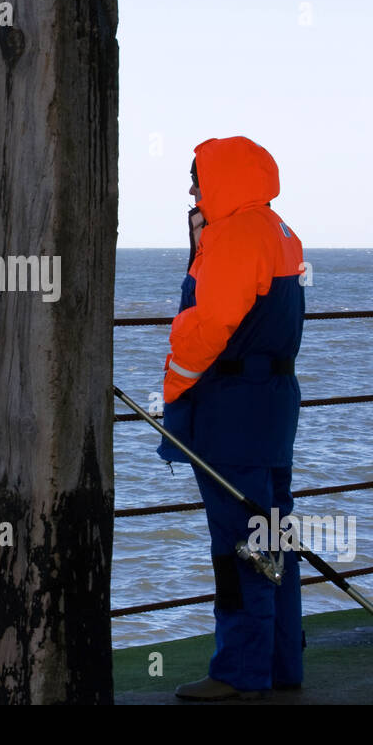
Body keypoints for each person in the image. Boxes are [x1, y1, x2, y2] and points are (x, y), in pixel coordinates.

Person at [158, 136, 305, 701]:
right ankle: (279, 663)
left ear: (218, 181)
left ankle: (238, 673)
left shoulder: (235, 236)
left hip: (232, 413)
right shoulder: (277, 229)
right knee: (273, 536)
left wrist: (173, 387)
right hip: (271, 408)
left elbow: (207, 326)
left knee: (238, 544)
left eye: (196, 180)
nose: (192, 190)